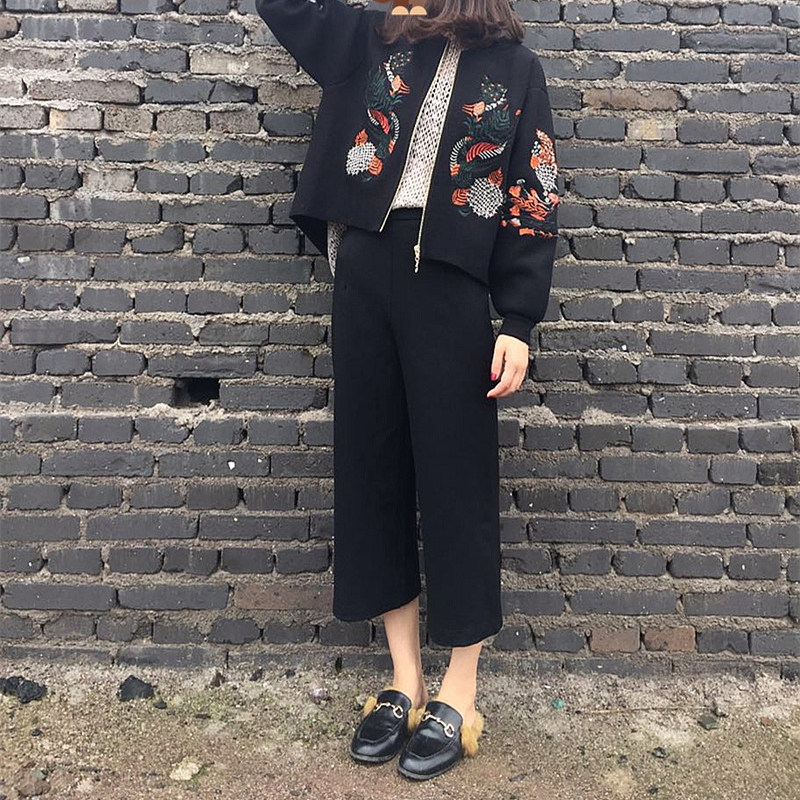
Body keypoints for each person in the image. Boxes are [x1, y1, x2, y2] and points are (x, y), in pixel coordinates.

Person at [254, 0, 560, 781]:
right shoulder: (373, 35)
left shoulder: (516, 70)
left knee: (458, 483)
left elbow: (532, 191)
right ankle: (404, 680)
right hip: (365, 272)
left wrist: (518, 320)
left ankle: (461, 689)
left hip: (453, 288)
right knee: (373, 472)